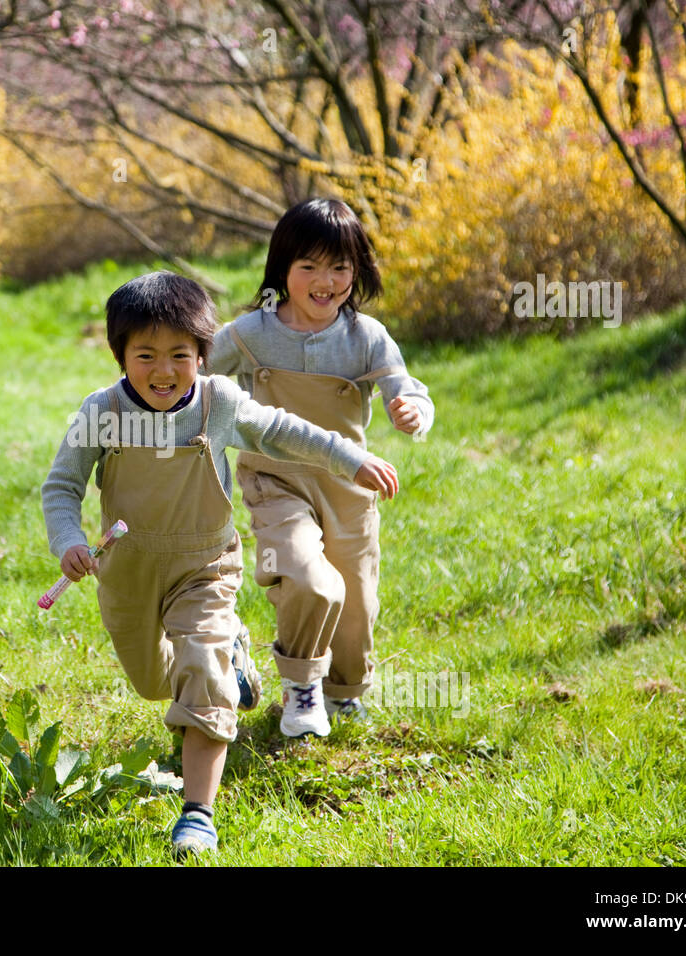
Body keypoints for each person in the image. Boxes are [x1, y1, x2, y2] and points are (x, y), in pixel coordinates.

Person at [41, 270, 399, 858]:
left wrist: (349, 458)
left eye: (180, 354)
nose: (163, 371)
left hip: (205, 563)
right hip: (127, 571)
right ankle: (233, 652)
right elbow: (62, 486)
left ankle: (197, 813)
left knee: (200, 676)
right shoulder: (102, 411)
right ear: (120, 355)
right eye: (145, 355)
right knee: (156, 681)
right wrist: (67, 542)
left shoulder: (218, 402)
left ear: (204, 355)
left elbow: (284, 431)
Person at [209, 197, 434, 738]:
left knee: (356, 604)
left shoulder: (366, 337)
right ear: (282, 271)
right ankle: (302, 688)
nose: (324, 281)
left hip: (348, 489)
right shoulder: (251, 334)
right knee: (308, 578)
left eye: (339, 267)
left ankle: (344, 694)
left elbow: (406, 388)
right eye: (307, 266)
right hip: (275, 481)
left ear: (358, 271)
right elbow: (191, 374)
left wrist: (412, 412)